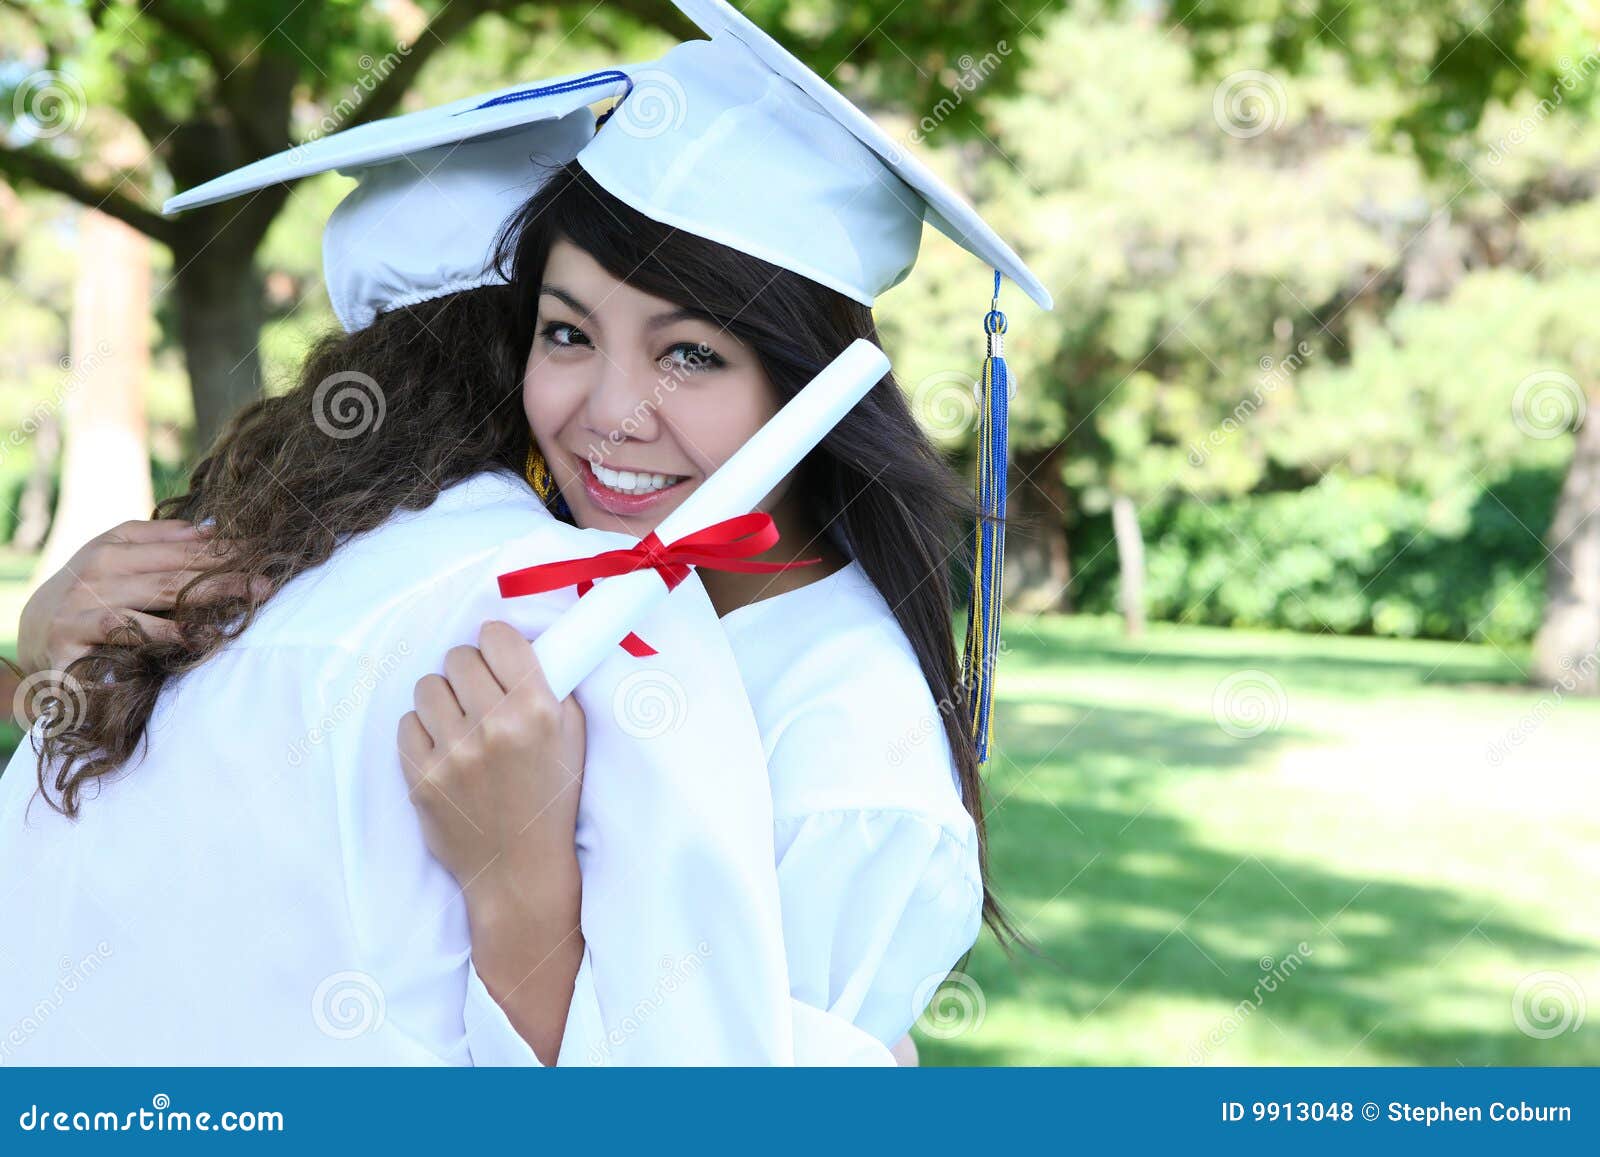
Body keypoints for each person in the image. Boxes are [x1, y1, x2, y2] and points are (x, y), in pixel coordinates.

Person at [8, 0, 1055, 1064]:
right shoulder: (541, 579)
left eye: (691, 353)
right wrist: (56, 651)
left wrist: (519, 890)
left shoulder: (851, 752)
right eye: (565, 332)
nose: (609, 410)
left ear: (816, 388)